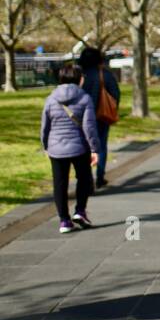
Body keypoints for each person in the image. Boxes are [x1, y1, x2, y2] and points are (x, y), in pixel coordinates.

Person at [41, 62, 100, 233]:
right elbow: (89, 127)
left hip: (55, 148)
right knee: (84, 179)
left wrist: (45, 145)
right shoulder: (85, 98)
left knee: (60, 184)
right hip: (79, 147)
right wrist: (95, 149)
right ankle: (80, 211)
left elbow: (45, 126)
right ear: (80, 79)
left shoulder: (51, 99)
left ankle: (64, 221)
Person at [79, 47, 121, 190]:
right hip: (102, 116)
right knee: (101, 146)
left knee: (85, 147)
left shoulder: (80, 75)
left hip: (82, 117)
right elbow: (115, 94)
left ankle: (87, 178)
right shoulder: (105, 74)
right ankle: (100, 176)